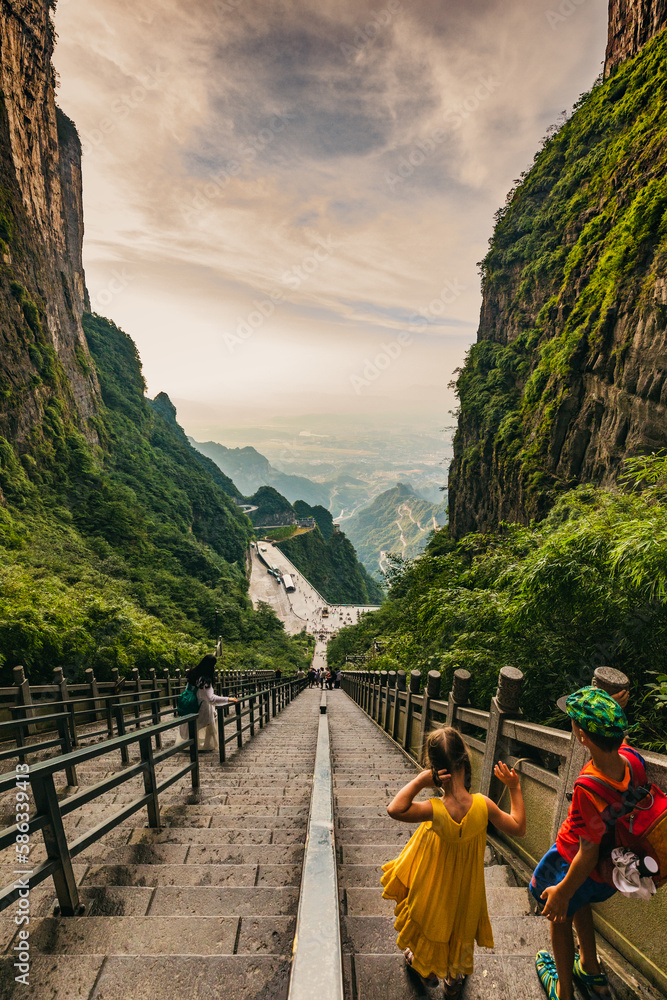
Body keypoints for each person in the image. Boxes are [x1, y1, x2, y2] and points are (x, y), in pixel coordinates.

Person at [381, 726, 526, 997]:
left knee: (433, 922)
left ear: (435, 769)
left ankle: (425, 966)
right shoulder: (484, 806)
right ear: (465, 760)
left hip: (434, 888)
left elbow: (395, 809)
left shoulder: (434, 810)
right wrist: (515, 787)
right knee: (460, 925)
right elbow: (518, 826)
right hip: (467, 890)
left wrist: (422, 782)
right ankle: (455, 978)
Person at [532, 687, 643, 1000]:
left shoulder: (588, 786)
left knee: (561, 914)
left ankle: (563, 991)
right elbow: (618, 743)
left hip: (573, 863)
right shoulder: (633, 761)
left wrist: (562, 892)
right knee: (581, 902)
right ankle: (591, 971)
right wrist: (609, 709)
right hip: (609, 870)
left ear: (581, 736)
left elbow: (586, 852)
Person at [178, 654, 237, 752]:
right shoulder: (205, 680)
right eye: (214, 665)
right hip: (202, 707)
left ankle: (193, 745)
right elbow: (211, 698)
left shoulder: (193, 674)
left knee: (193, 726)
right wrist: (228, 699)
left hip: (191, 705)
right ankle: (205, 746)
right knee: (209, 725)